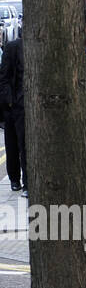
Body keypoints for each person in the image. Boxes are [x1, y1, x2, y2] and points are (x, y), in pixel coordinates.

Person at [0, 36, 26, 194]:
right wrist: (9, 101)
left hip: (29, 104)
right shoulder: (13, 47)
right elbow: (4, 77)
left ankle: (28, 182)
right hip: (14, 105)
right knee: (13, 144)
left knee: (26, 145)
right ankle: (15, 178)